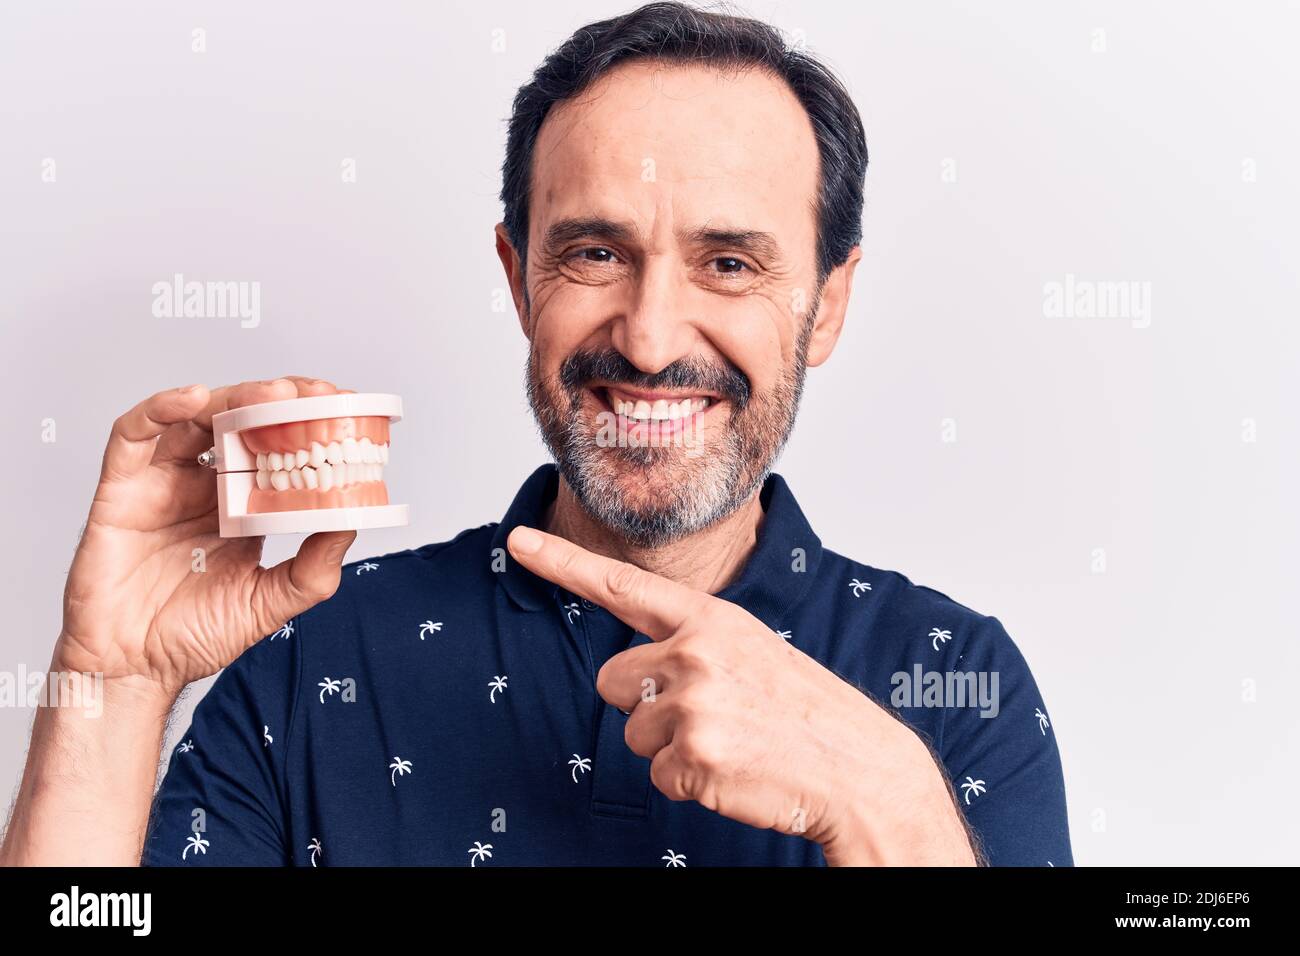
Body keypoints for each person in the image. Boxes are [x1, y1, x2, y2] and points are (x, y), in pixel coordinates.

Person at [0, 1, 1071, 867]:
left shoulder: (953, 682)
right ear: (519, 280)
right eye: (596, 253)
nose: (649, 340)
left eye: (730, 263)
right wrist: (114, 678)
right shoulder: (308, 660)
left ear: (826, 305)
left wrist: (886, 806)